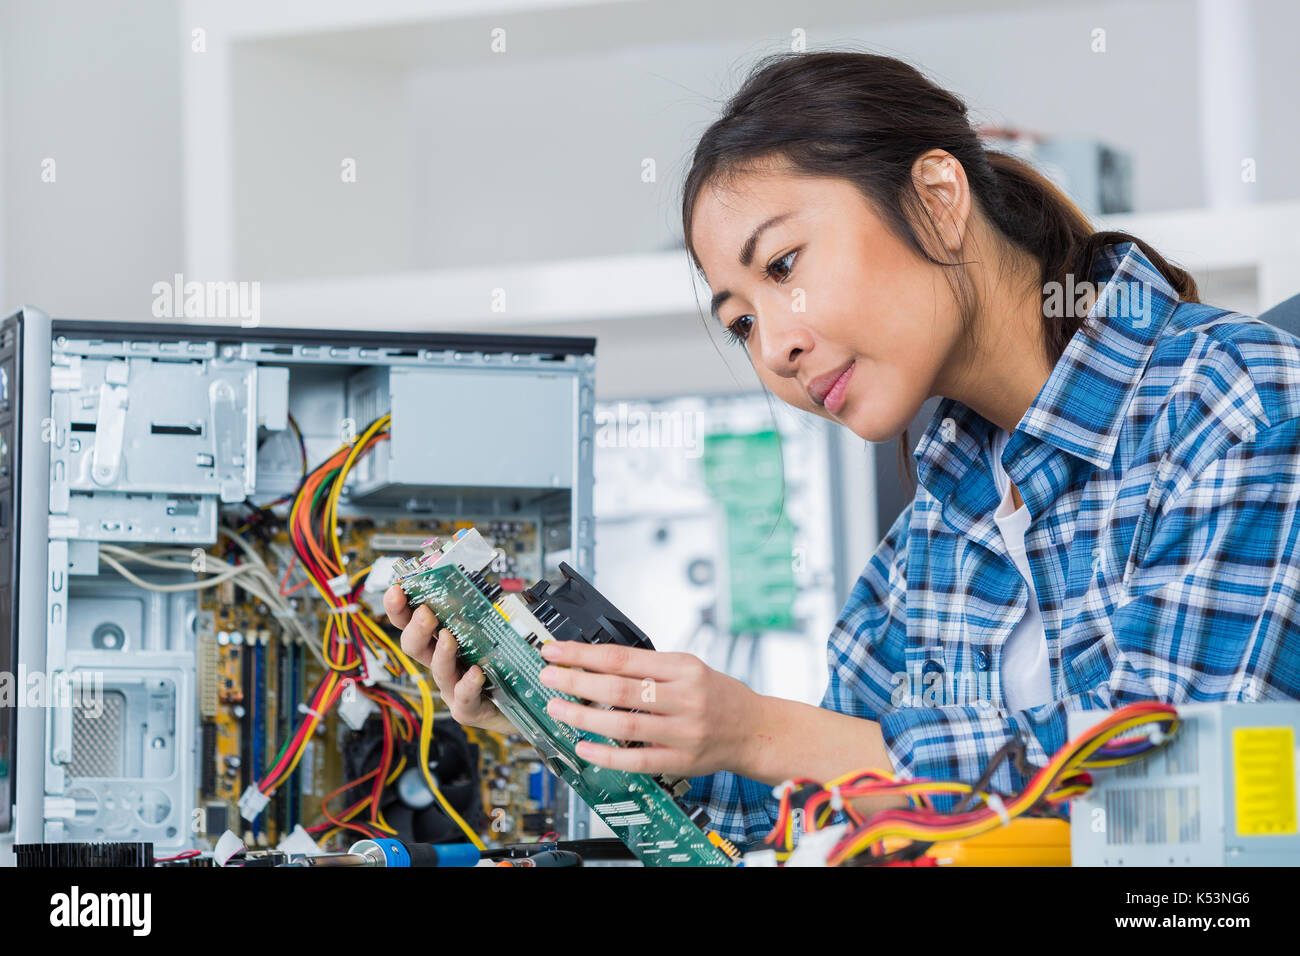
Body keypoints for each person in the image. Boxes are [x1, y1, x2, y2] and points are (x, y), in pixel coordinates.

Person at [384, 50, 1300, 848]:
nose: (774, 345)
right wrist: (587, 712)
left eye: (783, 266)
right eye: (740, 321)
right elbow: (815, 808)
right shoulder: (940, 522)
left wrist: (759, 731)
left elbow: (1185, 798)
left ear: (937, 199)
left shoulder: (1231, 400)